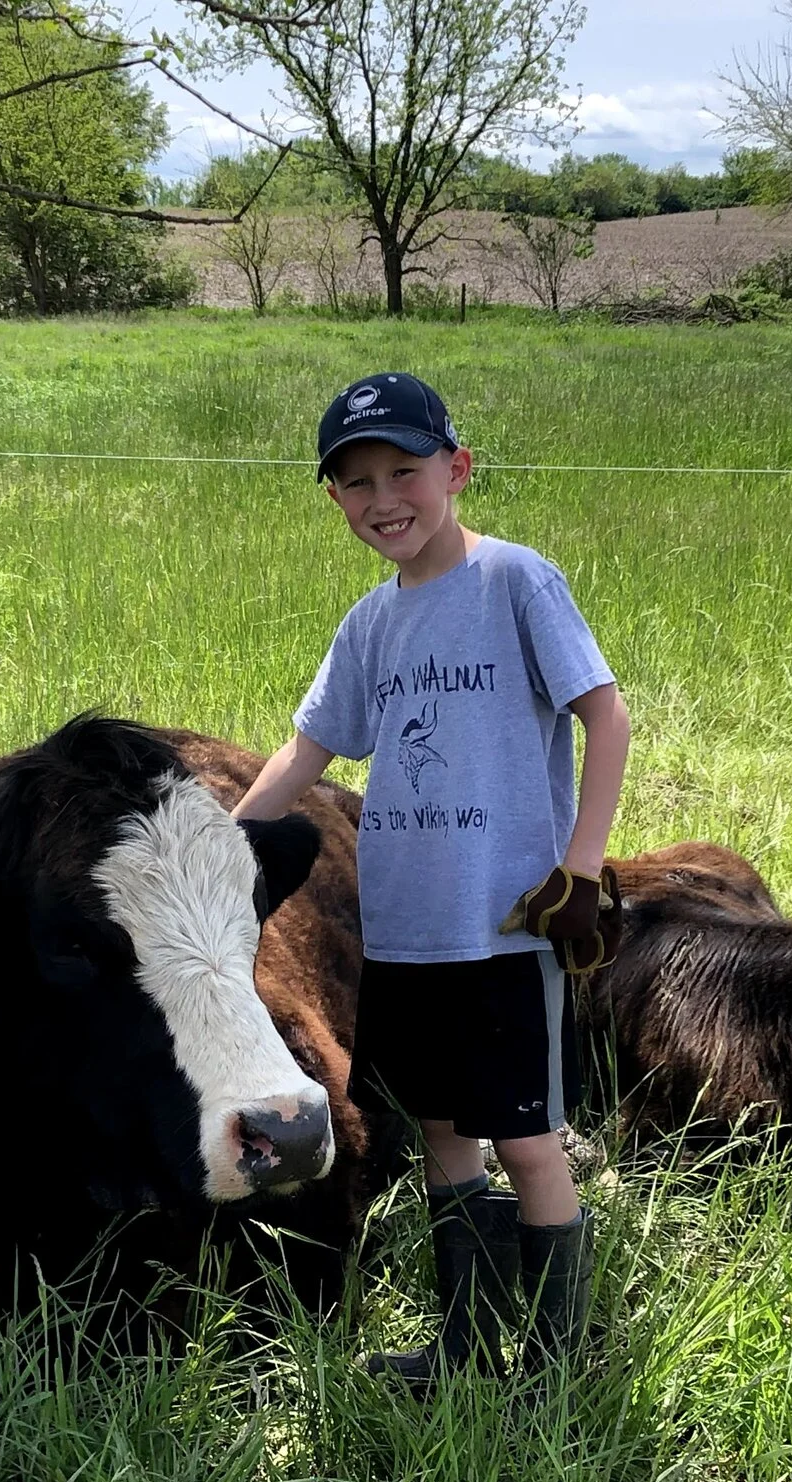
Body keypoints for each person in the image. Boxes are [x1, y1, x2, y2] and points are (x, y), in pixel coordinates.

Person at [235, 372, 631, 1385]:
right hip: (404, 932)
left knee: (529, 1143)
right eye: (357, 482)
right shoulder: (371, 625)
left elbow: (605, 714)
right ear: (335, 498)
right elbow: (309, 749)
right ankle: (461, 1346)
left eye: (403, 471)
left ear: (456, 469)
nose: (383, 499)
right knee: (444, 1137)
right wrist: (222, 842)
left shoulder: (515, 582)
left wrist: (581, 869)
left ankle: (551, 1369)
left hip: (503, 927)